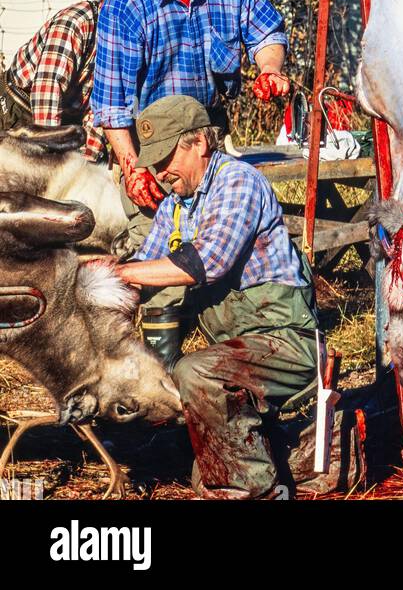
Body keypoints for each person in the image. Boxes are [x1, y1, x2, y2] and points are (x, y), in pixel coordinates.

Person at [92, 0, 290, 359]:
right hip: (152, 146)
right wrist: (132, 165)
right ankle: (151, 372)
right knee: (154, 252)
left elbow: (267, 34)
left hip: (207, 136)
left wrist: (269, 70)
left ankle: (237, 345)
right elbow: (111, 105)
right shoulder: (126, 5)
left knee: (224, 241)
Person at [117, 95, 318, 501]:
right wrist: (96, 285)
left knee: (195, 374)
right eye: (152, 163)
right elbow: (143, 268)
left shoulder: (237, 181)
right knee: (206, 474)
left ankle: (259, 494)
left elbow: (207, 260)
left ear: (199, 144)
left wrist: (123, 272)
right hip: (238, 353)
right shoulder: (176, 204)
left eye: (165, 157)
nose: (158, 173)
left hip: (289, 343)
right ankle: (286, 458)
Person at [0, 0, 141, 160]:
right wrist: (50, 157)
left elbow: (101, 107)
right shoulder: (76, 22)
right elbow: (48, 89)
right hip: (18, 110)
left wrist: (87, 163)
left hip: (65, 120)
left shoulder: (125, 40)